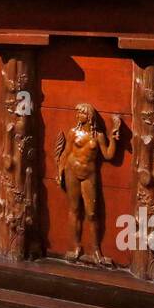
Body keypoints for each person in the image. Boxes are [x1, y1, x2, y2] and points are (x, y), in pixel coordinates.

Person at [54, 103, 122, 264]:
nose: (78, 116)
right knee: (75, 210)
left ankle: (96, 250)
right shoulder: (73, 133)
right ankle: (76, 247)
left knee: (92, 213)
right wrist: (59, 172)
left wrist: (113, 138)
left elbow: (108, 155)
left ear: (89, 116)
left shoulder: (98, 136)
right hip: (72, 172)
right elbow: (65, 153)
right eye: (77, 113)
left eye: (81, 113)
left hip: (89, 176)